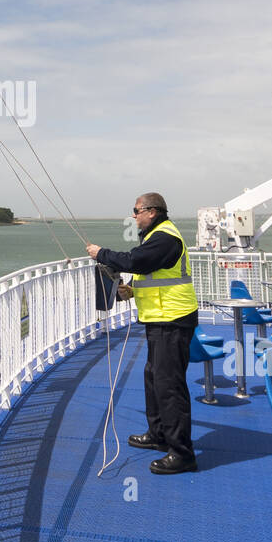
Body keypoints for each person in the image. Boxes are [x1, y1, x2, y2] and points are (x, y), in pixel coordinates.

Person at [86, 193, 199, 474]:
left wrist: (102, 254)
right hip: (160, 320)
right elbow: (152, 272)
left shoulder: (165, 237)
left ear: (152, 211)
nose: (133, 216)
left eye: (136, 211)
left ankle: (182, 454)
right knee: (154, 378)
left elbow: (134, 261)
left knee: (169, 386)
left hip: (172, 321)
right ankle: (158, 435)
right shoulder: (155, 238)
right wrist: (131, 291)